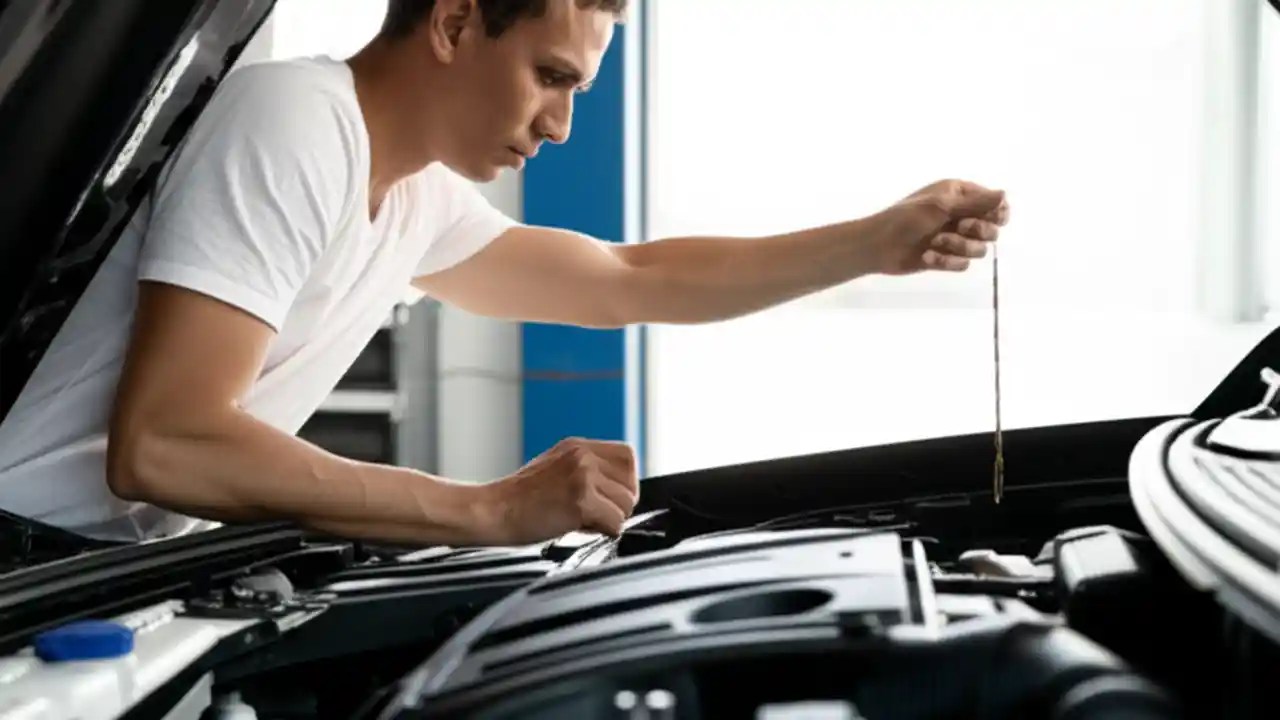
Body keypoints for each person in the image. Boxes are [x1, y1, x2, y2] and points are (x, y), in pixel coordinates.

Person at [0, 0, 1009, 545]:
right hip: (22, 547)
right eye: (550, 76)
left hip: (96, 571)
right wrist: (485, 509)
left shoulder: (414, 197)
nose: (561, 125)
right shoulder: (295, 122)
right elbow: (166, 445)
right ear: (452, 23)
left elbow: (625, 279)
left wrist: (870, 245)